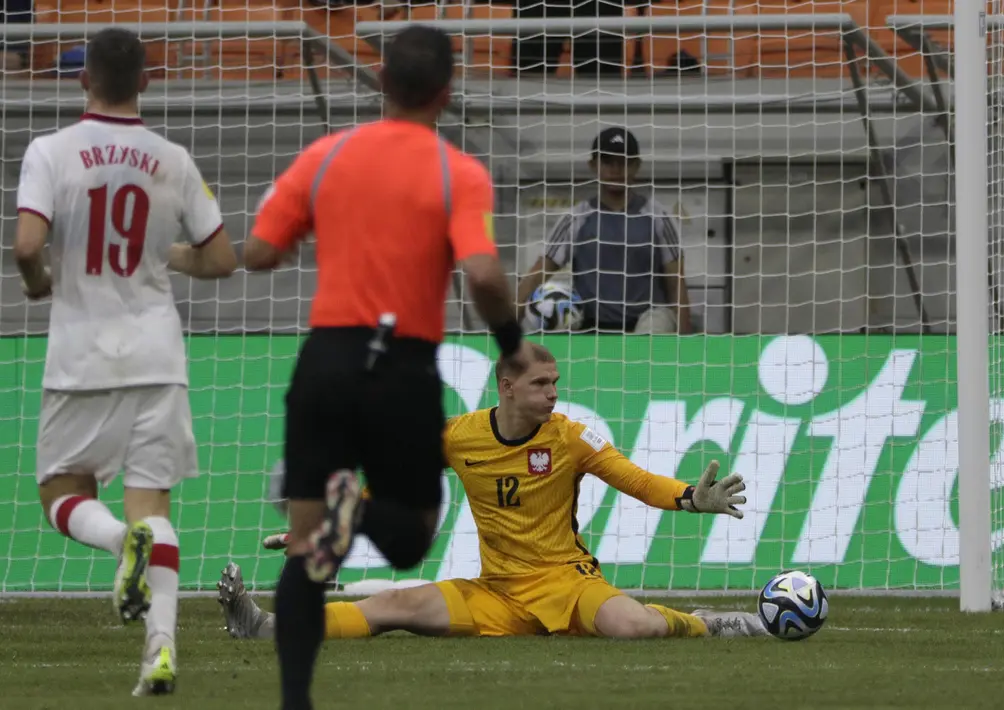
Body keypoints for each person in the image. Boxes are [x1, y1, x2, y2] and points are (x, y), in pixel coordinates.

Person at [242, 24, 527, 710]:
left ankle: (293, 702)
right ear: (447, 92)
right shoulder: (456, 170)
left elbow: (256, 251)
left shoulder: (326, 155)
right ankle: (358, 514)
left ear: (379, 83)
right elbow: (483, 272)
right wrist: (510, 340)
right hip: (399, 366)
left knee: (308, 551)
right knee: (408, 538)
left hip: (325, 362)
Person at [218, 343, 762, 642]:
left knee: (635, 626)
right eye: (540, 384)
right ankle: (263, 625)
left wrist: (691, 496)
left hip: (567, 582)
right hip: (497, 591)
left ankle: (706, 621)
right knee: (390, 606)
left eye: (554, 383)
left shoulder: (572, 437)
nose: (553, 394)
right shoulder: (459, 436)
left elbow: (636, 480)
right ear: (506, 387)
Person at [12, 28, 237, 695]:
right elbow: (222, 259)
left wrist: (37, 282)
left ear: (83, 80)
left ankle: (116, 545)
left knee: (59, 491)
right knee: (154, 506)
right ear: (146, 80)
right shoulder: (171, 158)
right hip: (156, 354)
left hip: (80, 354)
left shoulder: (50, 151)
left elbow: (28, 244)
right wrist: (162, 255)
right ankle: (160, 652)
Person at [517, 127, 695, 334]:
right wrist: (504, 331)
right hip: (592, 327)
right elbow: (537, 274)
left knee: (658, 321)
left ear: (636, 166)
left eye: (624, 162)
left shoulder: (658, 217)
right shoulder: (576, 218)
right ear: (593, 165)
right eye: (608, 162)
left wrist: (686, 346)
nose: (616, 170)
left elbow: (676, 285)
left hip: (646, 326)